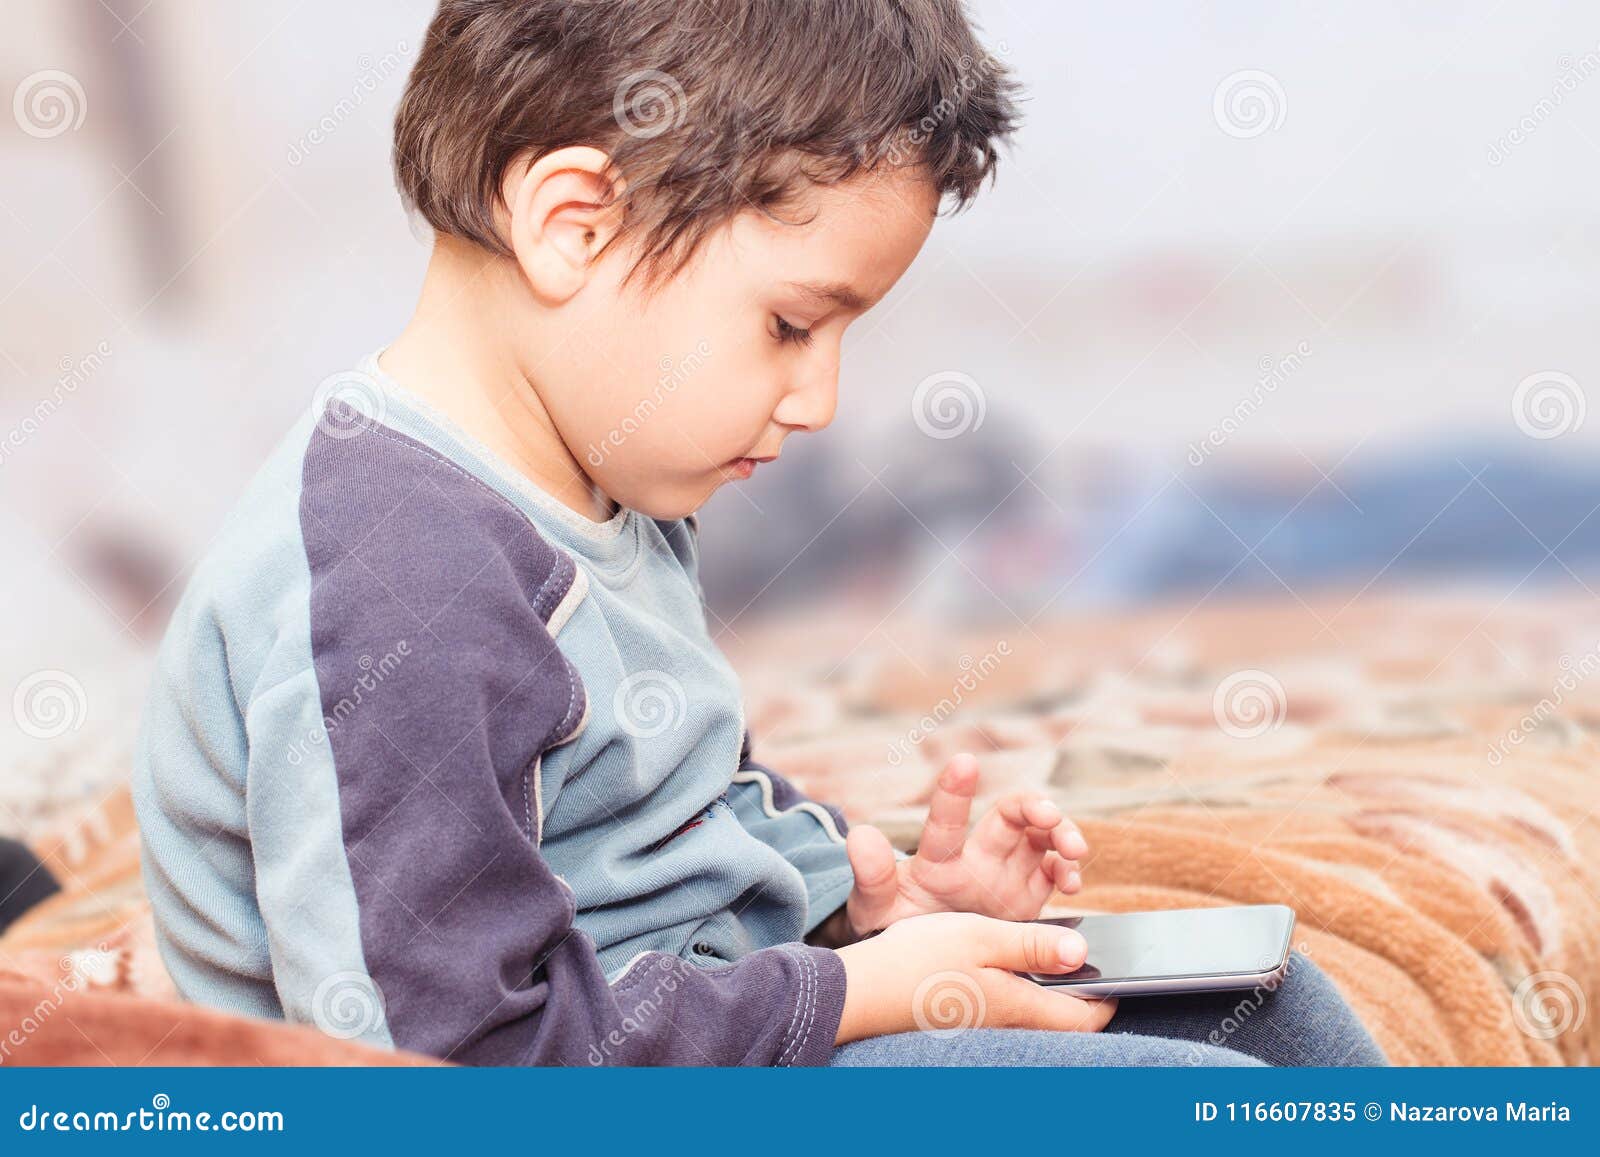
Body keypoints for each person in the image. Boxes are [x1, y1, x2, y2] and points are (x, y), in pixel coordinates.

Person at [133, 0, 1383, 1067]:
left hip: (690, 1032)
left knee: (1272, 1006)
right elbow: (443, 1056)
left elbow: (662, 811)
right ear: (574, 224)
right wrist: (852, 993)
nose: (820, 399)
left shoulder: (600, 481)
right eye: (791, 326)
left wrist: (873, 909)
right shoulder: (399, 578)